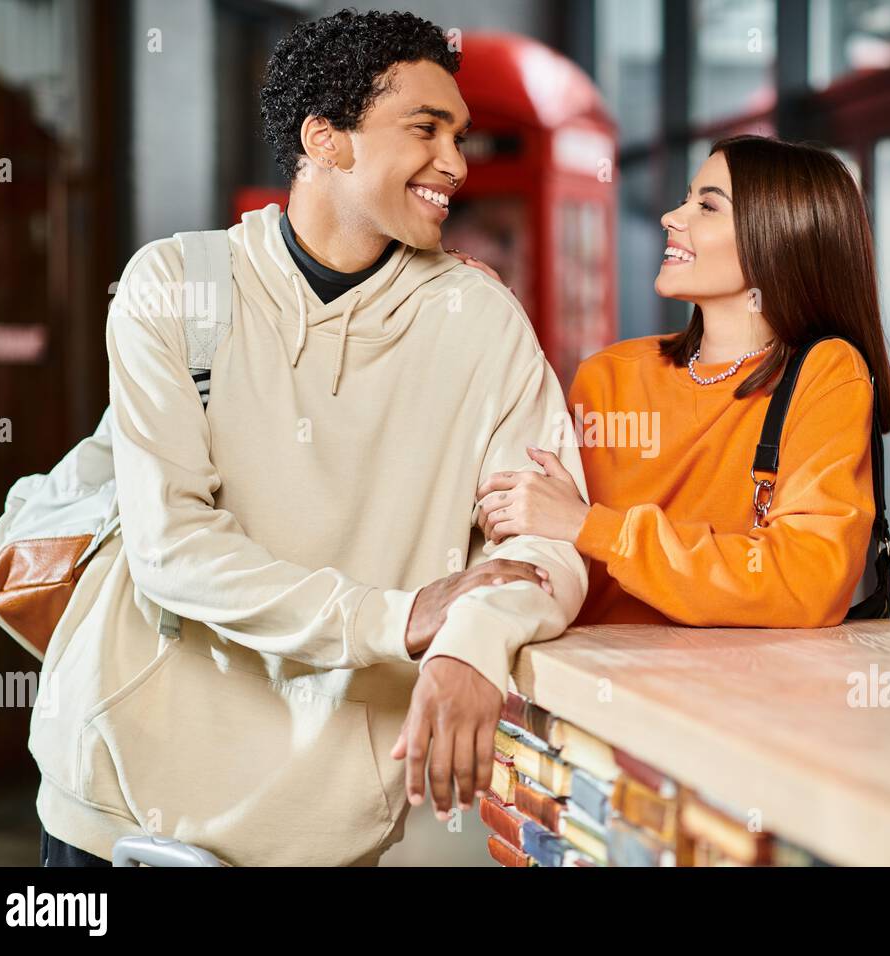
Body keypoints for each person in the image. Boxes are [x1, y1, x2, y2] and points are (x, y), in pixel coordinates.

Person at [30, 8, 588, 867]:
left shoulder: (481, 323)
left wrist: (475, 643)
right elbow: (171, 547)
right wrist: (402, 618)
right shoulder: (176, 284)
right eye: (425, 129)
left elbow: (550, 544)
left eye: (462, 136)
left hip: (322, 834)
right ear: (324, 139)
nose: (455, 163)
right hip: (116, 808)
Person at [473, 135, 890, 628]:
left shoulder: (826, 374)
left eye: (708, 206)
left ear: (779, 234)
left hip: (730, 696)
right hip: (585, 687)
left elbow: (807, 582)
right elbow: (532, 534)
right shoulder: (607, 376)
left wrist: (591, 526)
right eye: (686, 197)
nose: (671, 217)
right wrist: (487, 324)